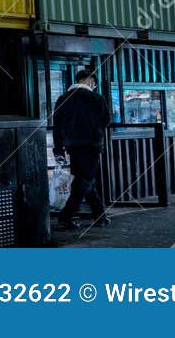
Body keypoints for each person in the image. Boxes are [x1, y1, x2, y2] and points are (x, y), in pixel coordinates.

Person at [51, 66, 112, 230]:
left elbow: (57, 127)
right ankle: (66, 216)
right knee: (84, 180)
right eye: (94, 84)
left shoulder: (62, 99)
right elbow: (106, 120)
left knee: (84, 179)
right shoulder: (97, 99)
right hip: (91, 146)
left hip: (72, 146)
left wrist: (58, 149)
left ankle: (100, 215)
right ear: (90, 81)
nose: (93, 87)